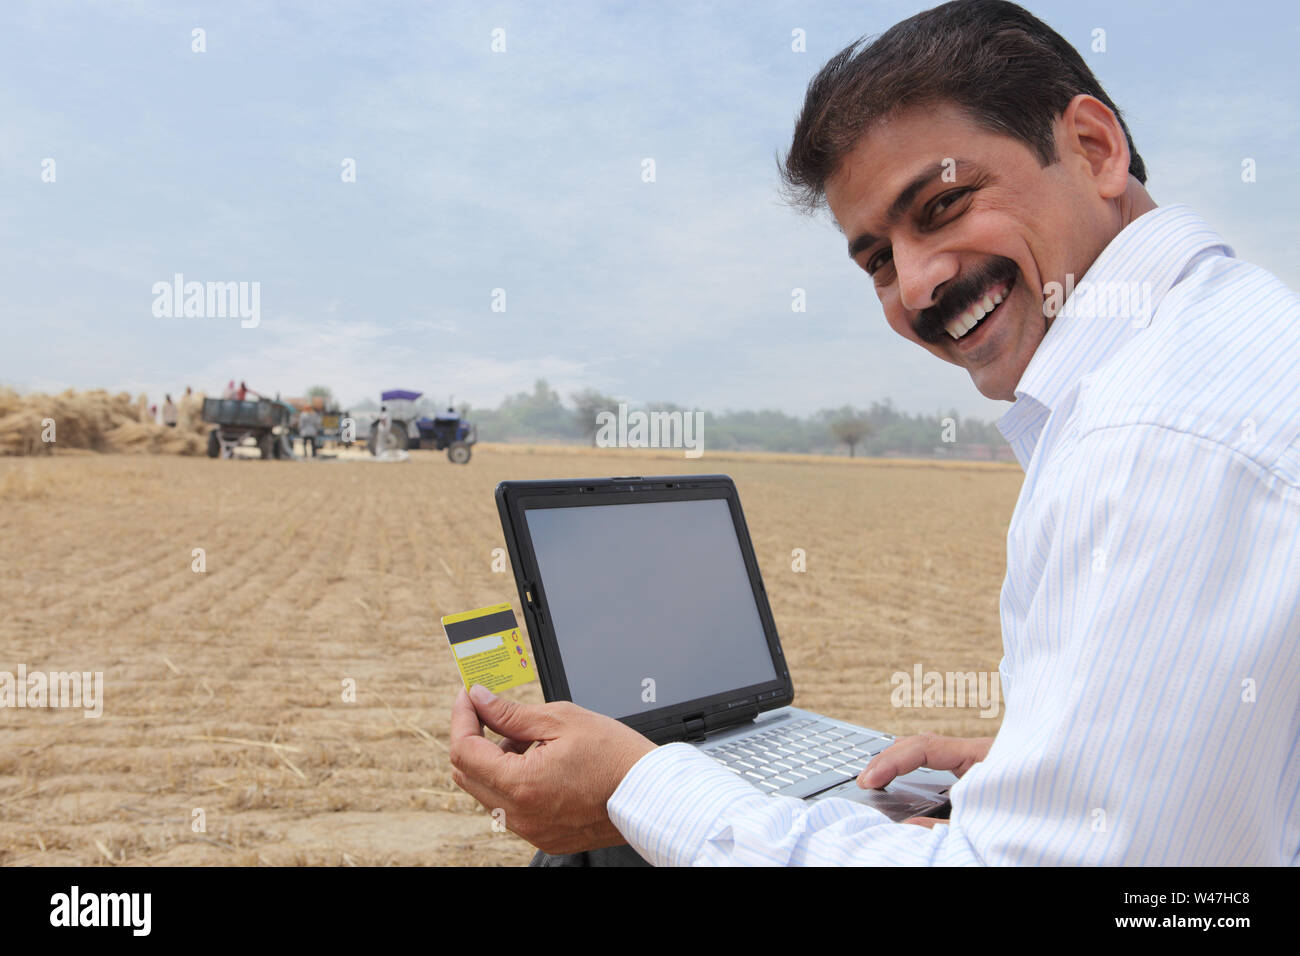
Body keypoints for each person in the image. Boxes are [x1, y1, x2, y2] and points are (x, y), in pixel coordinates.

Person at [449, 0, 1300, 866]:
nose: (920, 285)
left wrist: (638, 786)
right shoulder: (1213, 344)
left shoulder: (1154, 439)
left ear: (1094, 149)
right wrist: (1038, 780)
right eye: (879, 260)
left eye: (944, 204)